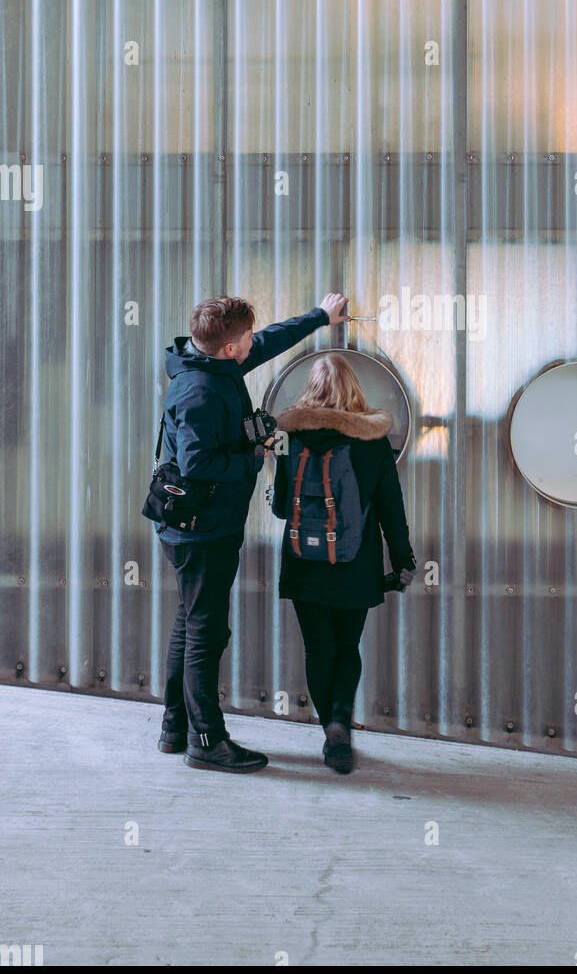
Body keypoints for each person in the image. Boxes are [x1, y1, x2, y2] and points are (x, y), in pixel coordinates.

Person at [155, 291, 348, 773]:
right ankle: (206, 741)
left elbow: (267, 341)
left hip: (197, 527)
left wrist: (320, 318)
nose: (251, 343)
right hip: (202, 531)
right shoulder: (199, 390)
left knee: (190, 622)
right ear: (227, 349)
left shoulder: (214, 364)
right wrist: (257, 452)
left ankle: (175, 726)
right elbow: (198, 463)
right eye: (244, 338)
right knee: (206, 633)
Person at [274, 353, 415, 774]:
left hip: (304, 562)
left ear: (311, 389)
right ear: (355, 389)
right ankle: (340, 722)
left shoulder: (291, 438)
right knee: (346, 647)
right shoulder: (373, 442)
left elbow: (283, 507)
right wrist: (403, 561)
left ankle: (329, 734)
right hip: (355, 563)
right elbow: (391, 508)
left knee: (318, 648)